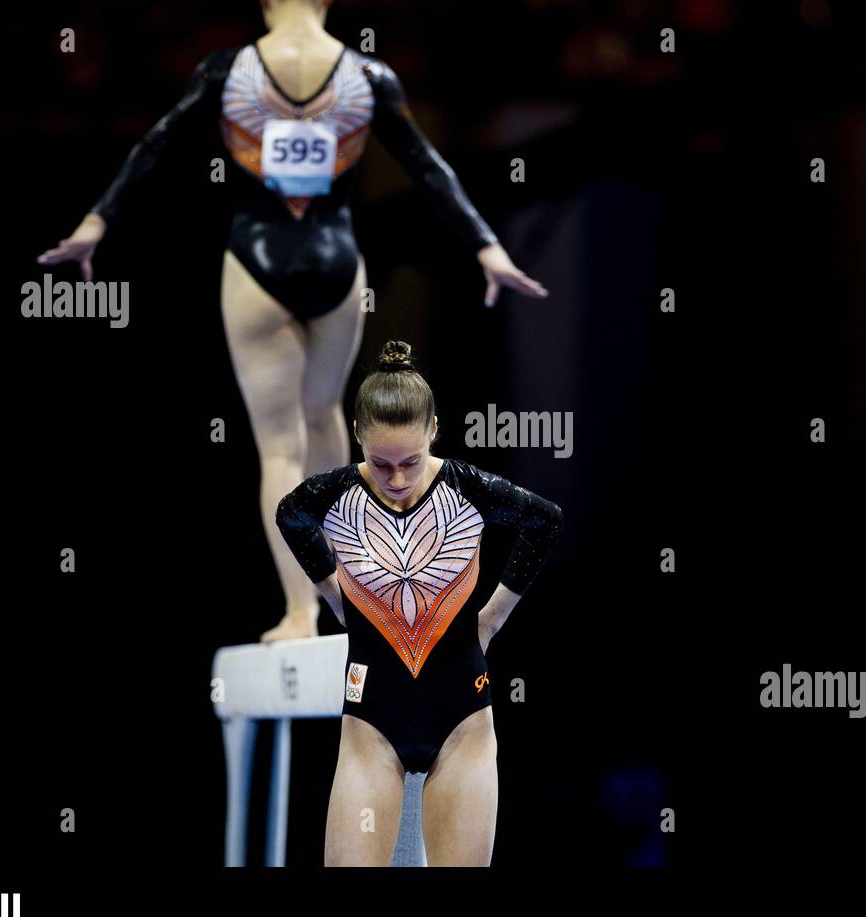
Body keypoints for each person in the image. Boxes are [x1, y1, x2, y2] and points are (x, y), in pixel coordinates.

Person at [37, 0, 549, 642]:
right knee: (326, 421)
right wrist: (487, 249)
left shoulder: (227, 72)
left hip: (256, 260)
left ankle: (301, 613)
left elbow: (155, 145)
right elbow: (428, 167)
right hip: (337, 262)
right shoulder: (368, 74)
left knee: (280, 447)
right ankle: (354, 607)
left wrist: (94, 224)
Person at [275, 340, 562, 865]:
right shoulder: (334, 494)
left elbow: (545, 520)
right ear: (357, 435)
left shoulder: (467, 487)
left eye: (410, 461)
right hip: (370, 730)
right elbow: (290, 516)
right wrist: (335, 595)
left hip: (463, 728)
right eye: (380, 464)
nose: (399, 480)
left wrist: (492, 618)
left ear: (433, 431)